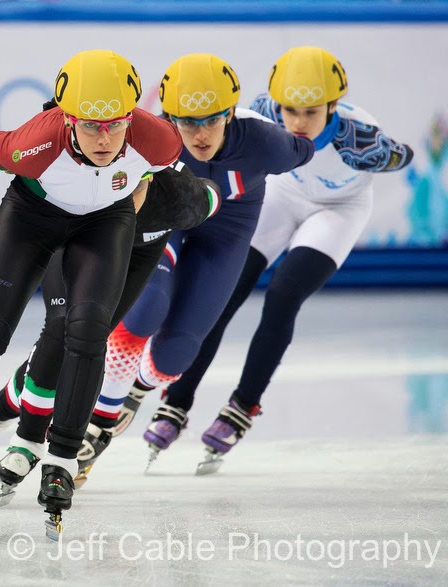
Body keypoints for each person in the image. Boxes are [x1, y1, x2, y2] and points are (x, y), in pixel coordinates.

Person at [0, 49, 183, 539]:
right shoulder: (33, 144)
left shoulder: (159, 139)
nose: (105, 138)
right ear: (66, 119)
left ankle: (62, 459)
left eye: (115, 124)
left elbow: (158, 169)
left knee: (88, 333)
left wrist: (144, 185)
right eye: (90, 126)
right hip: (30, 219)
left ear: (132, 115)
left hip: (105, 223)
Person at [95, 46, 415, 473]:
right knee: (225, 291)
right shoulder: (264, 114)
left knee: (284, 293)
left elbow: (402, 155)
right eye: (290, 110)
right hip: (285, 195)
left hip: (338, 209)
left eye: (311, 112)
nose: (298, 121)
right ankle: (177, 399)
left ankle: (243, 405)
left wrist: (393, 154)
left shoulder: (362, 137)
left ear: (334, 106)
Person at [72, 53, 315, 478]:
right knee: (146, 310)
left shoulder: (268, 144)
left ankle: (138, 391)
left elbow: (307, 144)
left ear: (230, 114)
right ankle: (100, 419)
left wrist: (338, 128)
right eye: (186, 122)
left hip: (227, 229)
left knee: (176, 356)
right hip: (169, 217)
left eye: (210, 121)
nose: (199, 134)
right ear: (169, 117)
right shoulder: (147, 135)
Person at [0, 158, 221, 500]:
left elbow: (211, 195)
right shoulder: (74, 176)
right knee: (61, 327)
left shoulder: (179, 196)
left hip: (139, 252)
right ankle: (26, 438)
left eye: (128, 191)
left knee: (86, 337)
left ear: (146, 181)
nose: (117, 204)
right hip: (75, 235)